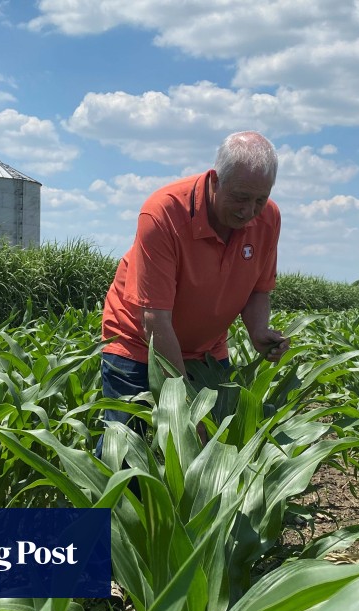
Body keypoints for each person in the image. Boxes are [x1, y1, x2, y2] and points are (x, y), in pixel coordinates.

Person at [100, 130, 291, 437]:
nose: (249, 211)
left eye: (260, 199)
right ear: (215, 180)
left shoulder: (268, 218)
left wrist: (257, 330)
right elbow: (154, 320)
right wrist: (187, 405)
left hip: (207, 352)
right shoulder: (164, 213)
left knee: (218, 444)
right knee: (127, 446)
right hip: (139, 346)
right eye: (240, 197)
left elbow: (259, 288)